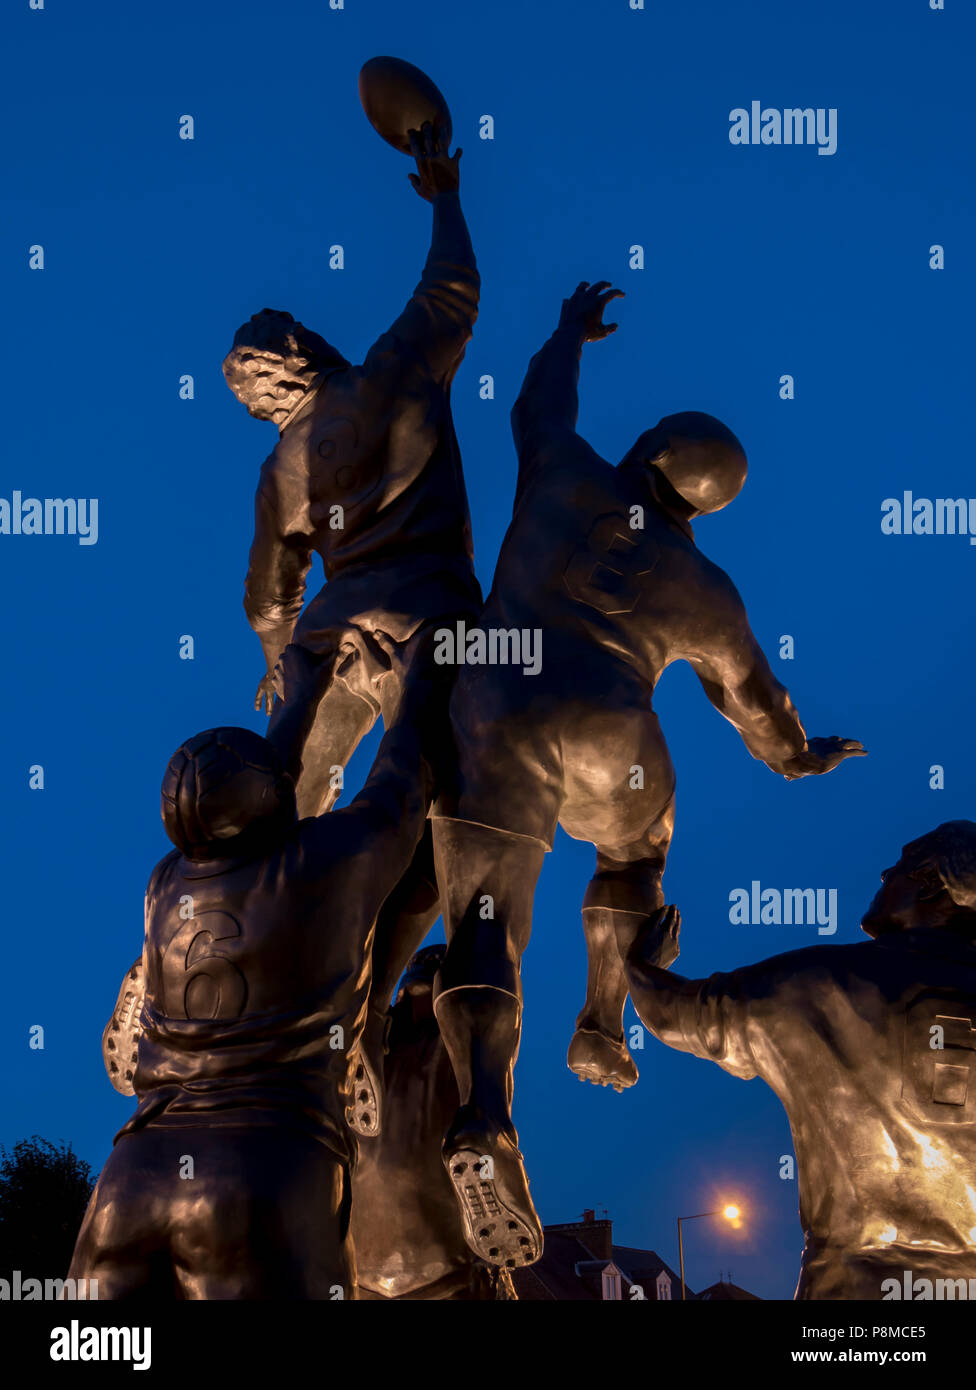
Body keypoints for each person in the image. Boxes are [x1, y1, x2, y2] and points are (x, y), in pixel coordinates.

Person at [430, 280, 864, 1265]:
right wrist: (801, 759)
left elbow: (533, 404)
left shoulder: (562, 470)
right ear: (704, 506)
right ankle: (602, 1018)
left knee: (484, 924)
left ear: (649, 447)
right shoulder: (705, 587)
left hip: (500, 702)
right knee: (632, 857)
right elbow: (756, 703)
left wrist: (567, 335)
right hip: (613, 740)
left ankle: (483, 1110)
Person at [222, 121, 482, 1133]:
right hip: (433, 616)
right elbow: (453, 291)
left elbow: (265, 597)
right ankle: (365, 998)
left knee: (277, 782)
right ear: (306, 350)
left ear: (267, 395)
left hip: (330, 627)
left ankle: (213, 922)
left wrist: (277, 670)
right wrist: (444, 195)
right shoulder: (392, 372)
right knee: (422, 793)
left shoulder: (283, 466)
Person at [70, 662, 438, 1299]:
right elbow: (403, 785)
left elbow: (268, 797)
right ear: (271, 799)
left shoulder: (164, 886)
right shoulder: (328, 861)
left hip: (128, 1181)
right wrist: (410, 682)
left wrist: (303, 692)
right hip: (264, 1170)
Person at [626, 821, 976, 1300]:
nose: (883, 872)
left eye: (898, 867)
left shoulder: (822, 984)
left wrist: (641, 968)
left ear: (933, 883)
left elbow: (682, 1015)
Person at [352, 945, 516, 1299]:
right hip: (446, 1274)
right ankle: (495, 1160)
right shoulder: (463, 1052)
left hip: (363, 1278)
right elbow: (503, 1007)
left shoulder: (370, 1059)